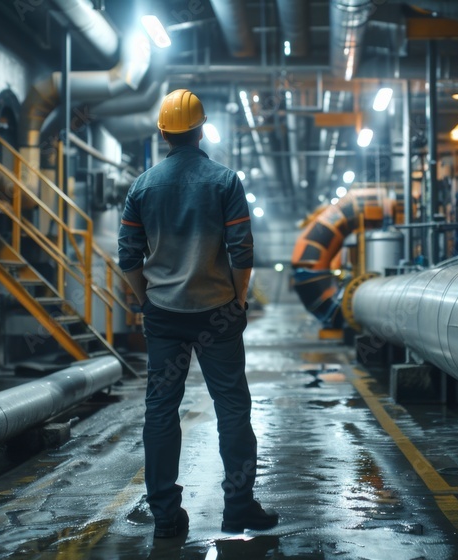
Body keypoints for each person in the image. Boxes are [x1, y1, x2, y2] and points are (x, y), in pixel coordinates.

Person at [118, 89, 278, 539]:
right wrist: (238, 299)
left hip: (164, 314)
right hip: (217, 314)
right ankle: (238, 508)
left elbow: (128, 257)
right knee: (232, 409)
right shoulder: (224, 181)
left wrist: (147, 299)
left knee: (161, 412)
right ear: (201, 129)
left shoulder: (142, 186)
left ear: (164, 132)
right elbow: (241, 250)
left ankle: (167, 517)